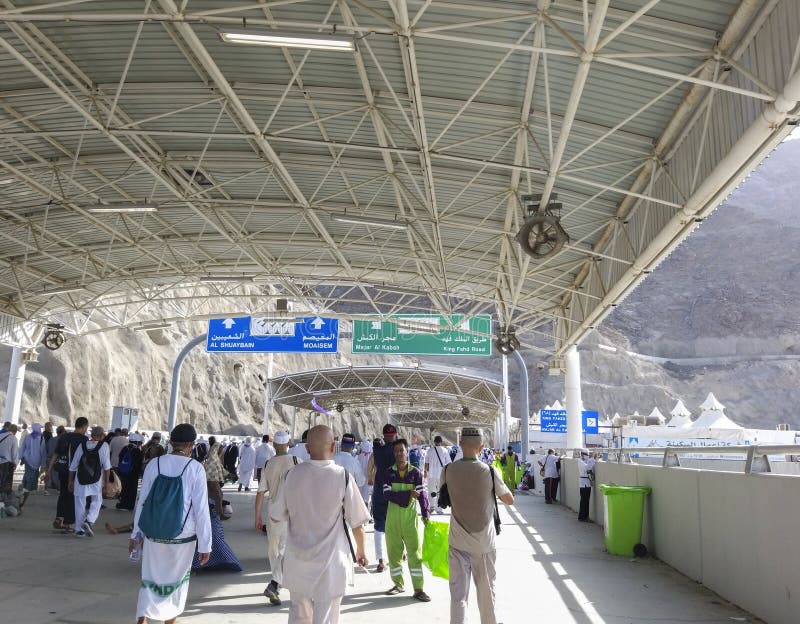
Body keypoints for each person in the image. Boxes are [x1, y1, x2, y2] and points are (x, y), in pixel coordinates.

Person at [269, 425, 369, 623]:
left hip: (298, 563)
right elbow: (357, 524)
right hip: (331, 565)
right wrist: (361, 551)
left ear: (307, 448)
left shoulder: (291, 475)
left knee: (299, 616)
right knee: (327, 617)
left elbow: (276, 516)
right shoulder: (342, 476)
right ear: (333, 447)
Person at [131, 423, 211, 624]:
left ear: (172, 442)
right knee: (176, 583)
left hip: (153, 533)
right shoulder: (195, 468)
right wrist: (205, 545)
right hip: (183, 537)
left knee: (150, 578)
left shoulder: (154, 464)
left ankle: (142, 620)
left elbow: (142, 502)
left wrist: (136, 534)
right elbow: (201, 510)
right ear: (191, 445)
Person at [441, 427, 514, 624]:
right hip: (483, 544)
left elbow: (444, 497)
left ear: (461, 444)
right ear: (481, 447)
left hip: (457, 542)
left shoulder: (448, 470)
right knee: (486, 592)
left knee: (458, 596)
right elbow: (509, 500)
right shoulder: (489, 471)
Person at [255, 431, 300, 606]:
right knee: (284, 551)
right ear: (288, 444)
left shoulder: (268, 464)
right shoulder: (297, 462)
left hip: (272, 513)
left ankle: (276, 583)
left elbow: (260, 492)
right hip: (290, 514)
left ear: (274, 445)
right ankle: (275, 584)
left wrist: (257, 517)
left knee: (273, 551)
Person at [383, 438, 431, 602]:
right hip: (392, 521)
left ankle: (418, 589)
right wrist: (408, 494)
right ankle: (398, 584)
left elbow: (422, 495)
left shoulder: (415, 473)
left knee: (415, 554)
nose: (399, 454)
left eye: (401, 450)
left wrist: (425, 513)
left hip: (410, 521)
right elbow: (386, 494)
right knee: (393, 553)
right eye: (396, 451)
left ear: (407, 451)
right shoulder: (388, 473)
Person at [46, 416, 88, 532]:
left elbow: (56, 454)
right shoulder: (84, 439)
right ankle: (67, 523)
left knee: (63, 494)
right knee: (72, 496)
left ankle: (60, 517)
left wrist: (49, 470)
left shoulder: (64, 436)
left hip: (62, 469)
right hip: (74, 472)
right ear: (84, 427)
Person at [68, 425, 111, 537]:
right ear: (102, 436)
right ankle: (89, 520)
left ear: (92, 435)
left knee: (79, 503)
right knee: (97, 500)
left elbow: (73, 465)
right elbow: (107, 467)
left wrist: (70, 481)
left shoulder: (82, 445)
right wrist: (106, 483)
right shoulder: (104, 446)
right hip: (95, 480)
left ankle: (79, 530)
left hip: (80, 479)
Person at [367, 423, 398, 573]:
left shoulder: (377, 450)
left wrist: (369, 477)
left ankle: (381, 561)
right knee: (397, 524)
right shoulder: (399, 451)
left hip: (379, 491)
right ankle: (399, 555)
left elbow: (370, 465)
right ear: (395, 435)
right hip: (396, 491)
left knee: (379, 526)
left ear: (384, 436)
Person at [19, 422, 47, 506]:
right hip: (36, 461)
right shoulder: (41, 438)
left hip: (28, 460)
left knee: (27, 476)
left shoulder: (28, 437)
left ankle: (23, 490)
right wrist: (43, 465)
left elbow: (23, 447)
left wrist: (21, 457)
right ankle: (25, 494)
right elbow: (43, 452)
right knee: (32, 478)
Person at [424, 435, 452, 515]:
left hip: (431, 474)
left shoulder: (430, 450)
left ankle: (432, 506)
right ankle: (439, 508)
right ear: (441, 442)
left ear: (434, 442)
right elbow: (449, 463)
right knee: (440, 491)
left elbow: (426, 463)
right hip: (441, 474)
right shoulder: (445, 450)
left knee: (431, 490)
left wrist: (425, 472)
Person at [116, 433, 145, 511]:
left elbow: (120, 459)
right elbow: (139, 463)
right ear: (137, 442)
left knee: (124, 487)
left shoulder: (124, 448)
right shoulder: (137, 450)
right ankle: (129, 505)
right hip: (133, 475)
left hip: (124, 473)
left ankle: (122, 503)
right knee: (132, 489)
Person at [204, 437, 226, 519]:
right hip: (212, 479)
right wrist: (222, 479)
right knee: (218, 496)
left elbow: (220, 468)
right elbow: (220, 471)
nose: (222, 452)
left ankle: (212, 514)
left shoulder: (212, 457)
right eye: (221, 450)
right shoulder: (213, 458)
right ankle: (219, 515)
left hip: (209, 479)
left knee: (211, 496)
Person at [0, 422, 20, 497]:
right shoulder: (13, 438)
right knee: (5, 480)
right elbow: (14, 453)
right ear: (15, 431)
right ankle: (4, 496)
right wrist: (15, 463)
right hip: (6, 463)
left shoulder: (1, 435)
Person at [577, 450, 597, 522]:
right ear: (583, 455)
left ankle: (583, 516)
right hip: (584, 483)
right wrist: (593, 459)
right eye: (586, 455)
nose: (587, 456)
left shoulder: (584, 461)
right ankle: (583, 517)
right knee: (584, 501)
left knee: (585, 500)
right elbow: (587, 468)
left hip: (586, 482)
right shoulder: (580, 461)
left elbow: (588, 463)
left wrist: (593, 458)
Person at [356, 439, 373, 509]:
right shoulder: (370, 453)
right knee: (366, 494)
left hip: (363, 472)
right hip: (367, 473)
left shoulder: (361, 451)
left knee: (361, 491)